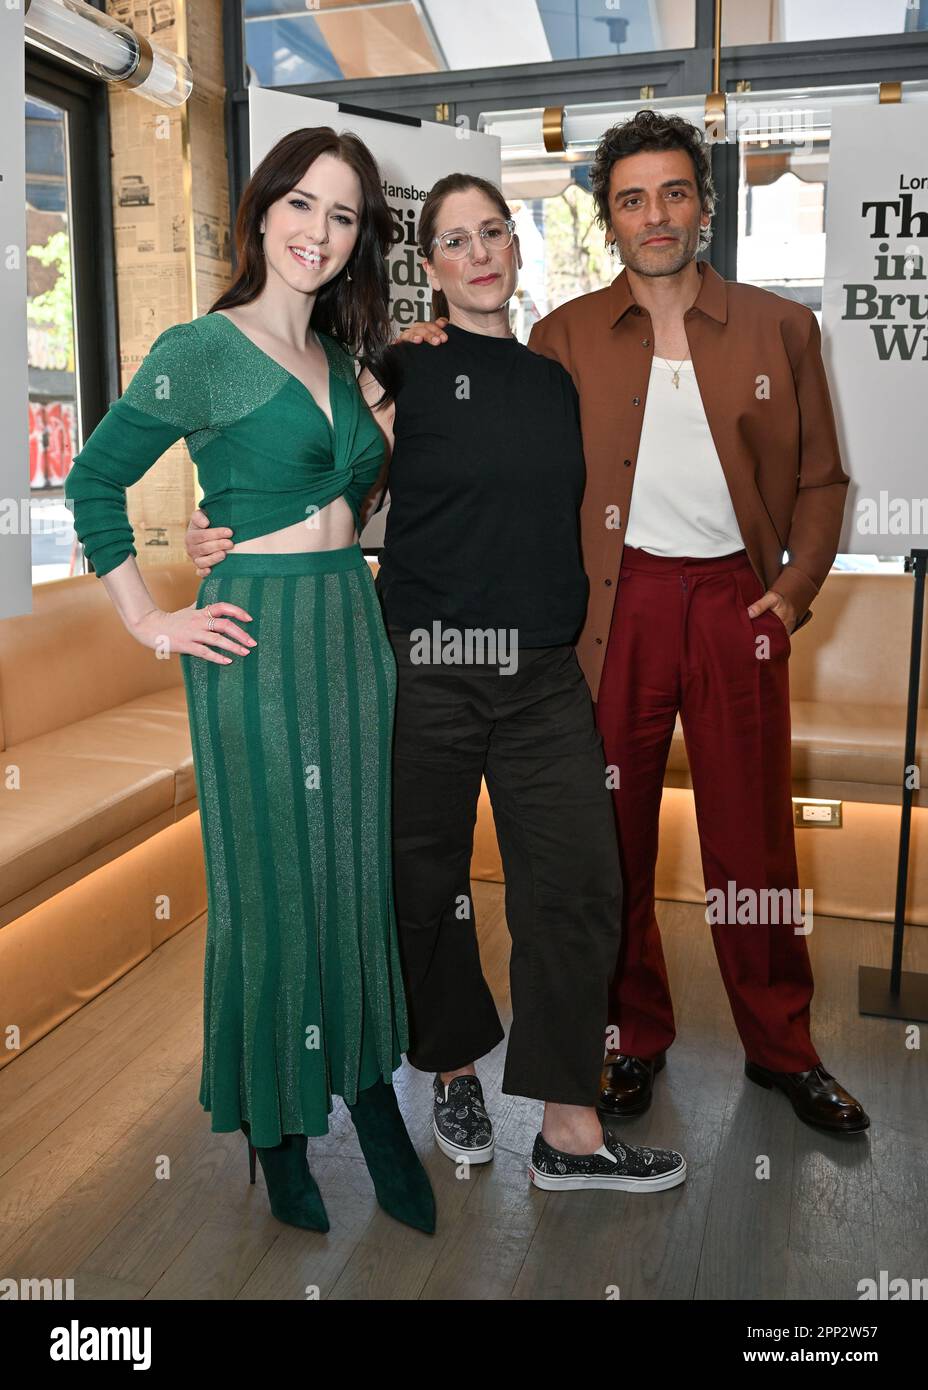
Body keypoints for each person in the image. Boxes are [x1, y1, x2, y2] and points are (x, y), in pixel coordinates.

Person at [185, 172, 687, 1195]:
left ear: (514, 243)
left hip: (541, 672)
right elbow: (312, 484)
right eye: (453, 241)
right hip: (426, 664)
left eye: (492, 232)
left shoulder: (553, 376)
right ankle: (451, 1070)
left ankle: (567, 1126)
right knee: (426, 884)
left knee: (580, 884)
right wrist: (213, 527)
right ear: (429, 269)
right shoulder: (394, 376)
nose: (478, 253)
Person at [397, 111, 869, 1136]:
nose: (653, 216)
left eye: (671, 194)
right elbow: (487, 422)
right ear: (604, 218)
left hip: (736, 603)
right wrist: (424, 345)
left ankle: (782, 1048)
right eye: (628, 199)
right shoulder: (560, 336)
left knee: (755, 843)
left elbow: (823, 479)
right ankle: (628, 1037)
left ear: (703, 203)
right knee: (602, 843)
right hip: (612, 609)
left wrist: (788, 596)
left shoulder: (780, 328)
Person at [63, 126, 436, 1237]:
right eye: (302, 206)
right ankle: (275, 1124)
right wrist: (153, 619)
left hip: (347, 633)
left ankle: (369, 1090)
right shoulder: (201, 348)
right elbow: (94, 485)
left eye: (343, 216)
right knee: (274, 891)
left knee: (353, 878)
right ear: (262, 211)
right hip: (252, 645)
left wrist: (234, 518)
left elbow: (347, 507)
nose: (319, 233)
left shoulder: (349, 363)